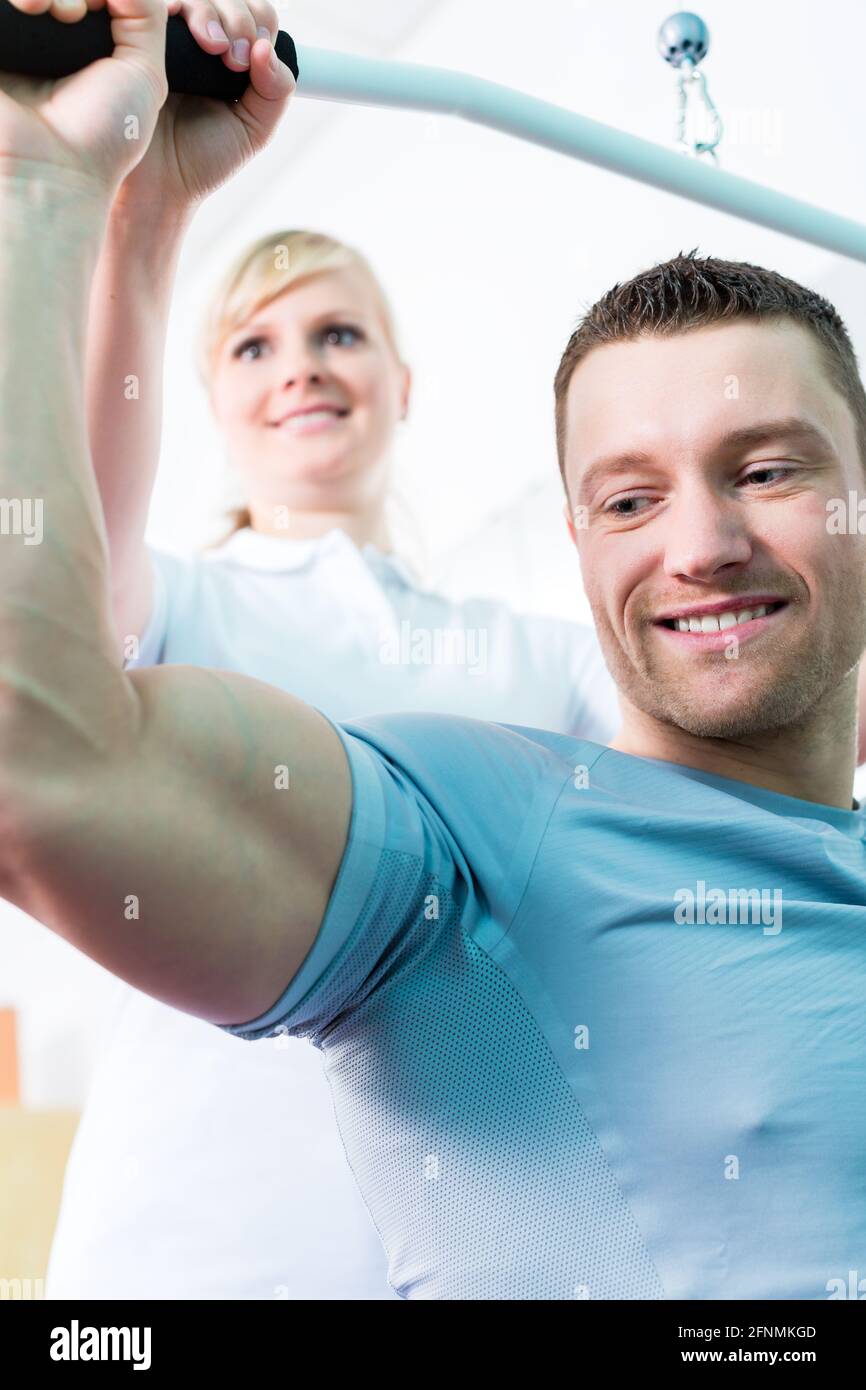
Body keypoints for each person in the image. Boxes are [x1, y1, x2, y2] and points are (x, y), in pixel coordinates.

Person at [3, 0, 866, 1300]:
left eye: (337, 332)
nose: (698, 545)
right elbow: (49, 695)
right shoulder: (244, 634)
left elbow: (775, 710)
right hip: (205, 1238)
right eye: (254, 343)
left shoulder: (536, 652)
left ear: (406, 381)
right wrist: (90, 199)